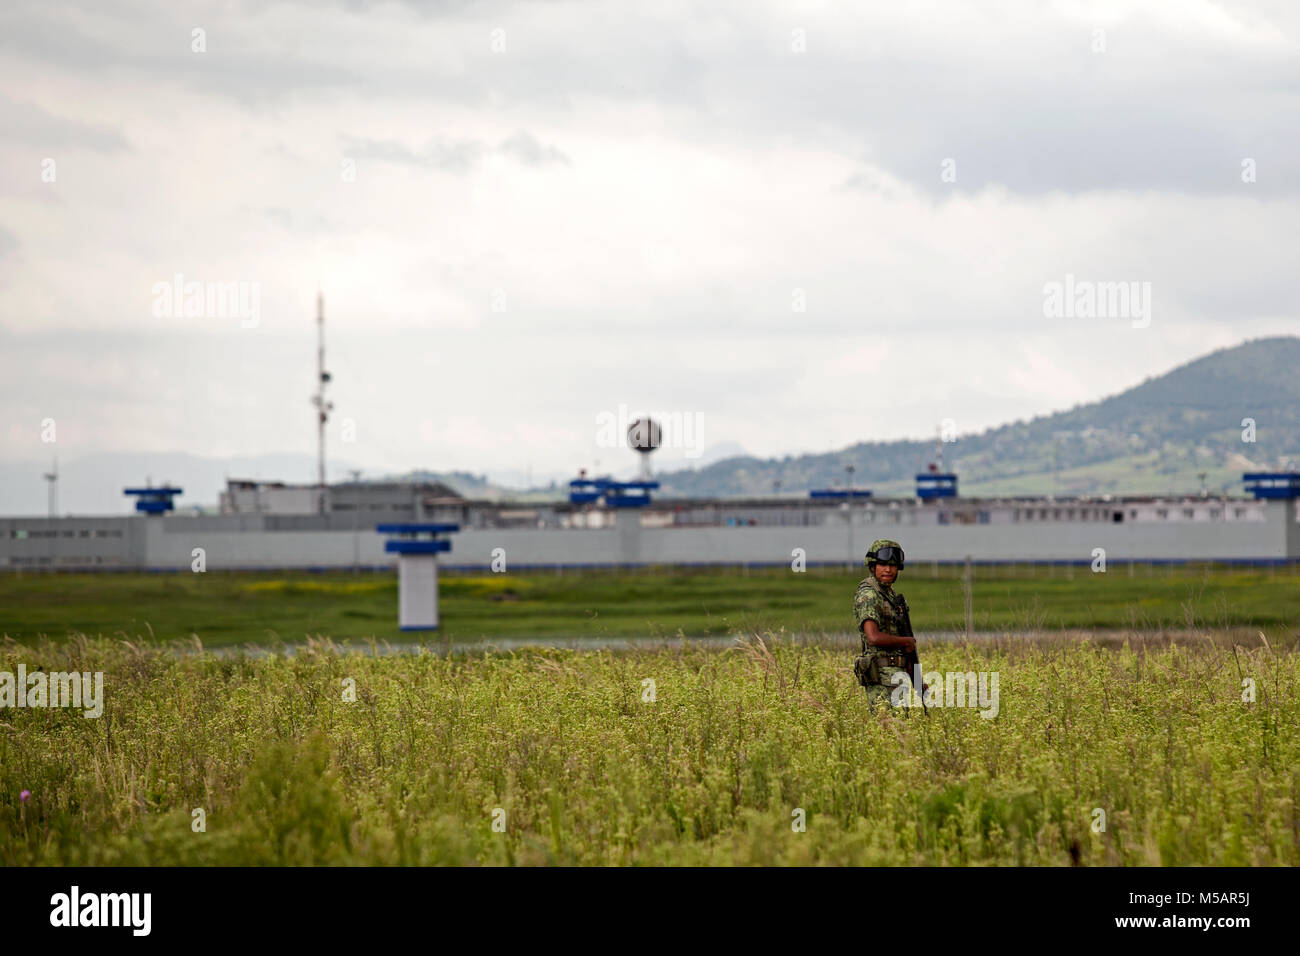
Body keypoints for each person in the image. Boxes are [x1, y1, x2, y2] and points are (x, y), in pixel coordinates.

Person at [852, 538, 922, 710]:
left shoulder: (890, 596)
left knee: (900, 731)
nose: (888, 569)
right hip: (881, 678)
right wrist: (905, 641)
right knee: (888, 730)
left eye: (893, 565)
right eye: (883, 564)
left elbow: (907, 652)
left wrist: (918, 683)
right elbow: (873, 637)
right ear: (872, 567)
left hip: (897, 675)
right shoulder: (869, 594)